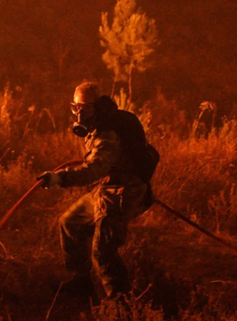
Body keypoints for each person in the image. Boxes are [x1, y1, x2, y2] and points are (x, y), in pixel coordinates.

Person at [37, 82, 159, 298]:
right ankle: (80, 283)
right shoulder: (98, 125)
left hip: (123, 192)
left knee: (103, 252)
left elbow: (93, 170)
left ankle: (120, 308)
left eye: (84, 108)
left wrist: (59, 178)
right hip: (107, 188)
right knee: (70, 223)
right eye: (75, 108)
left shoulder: (107, 132)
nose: (79, 113)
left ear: (98, 106)